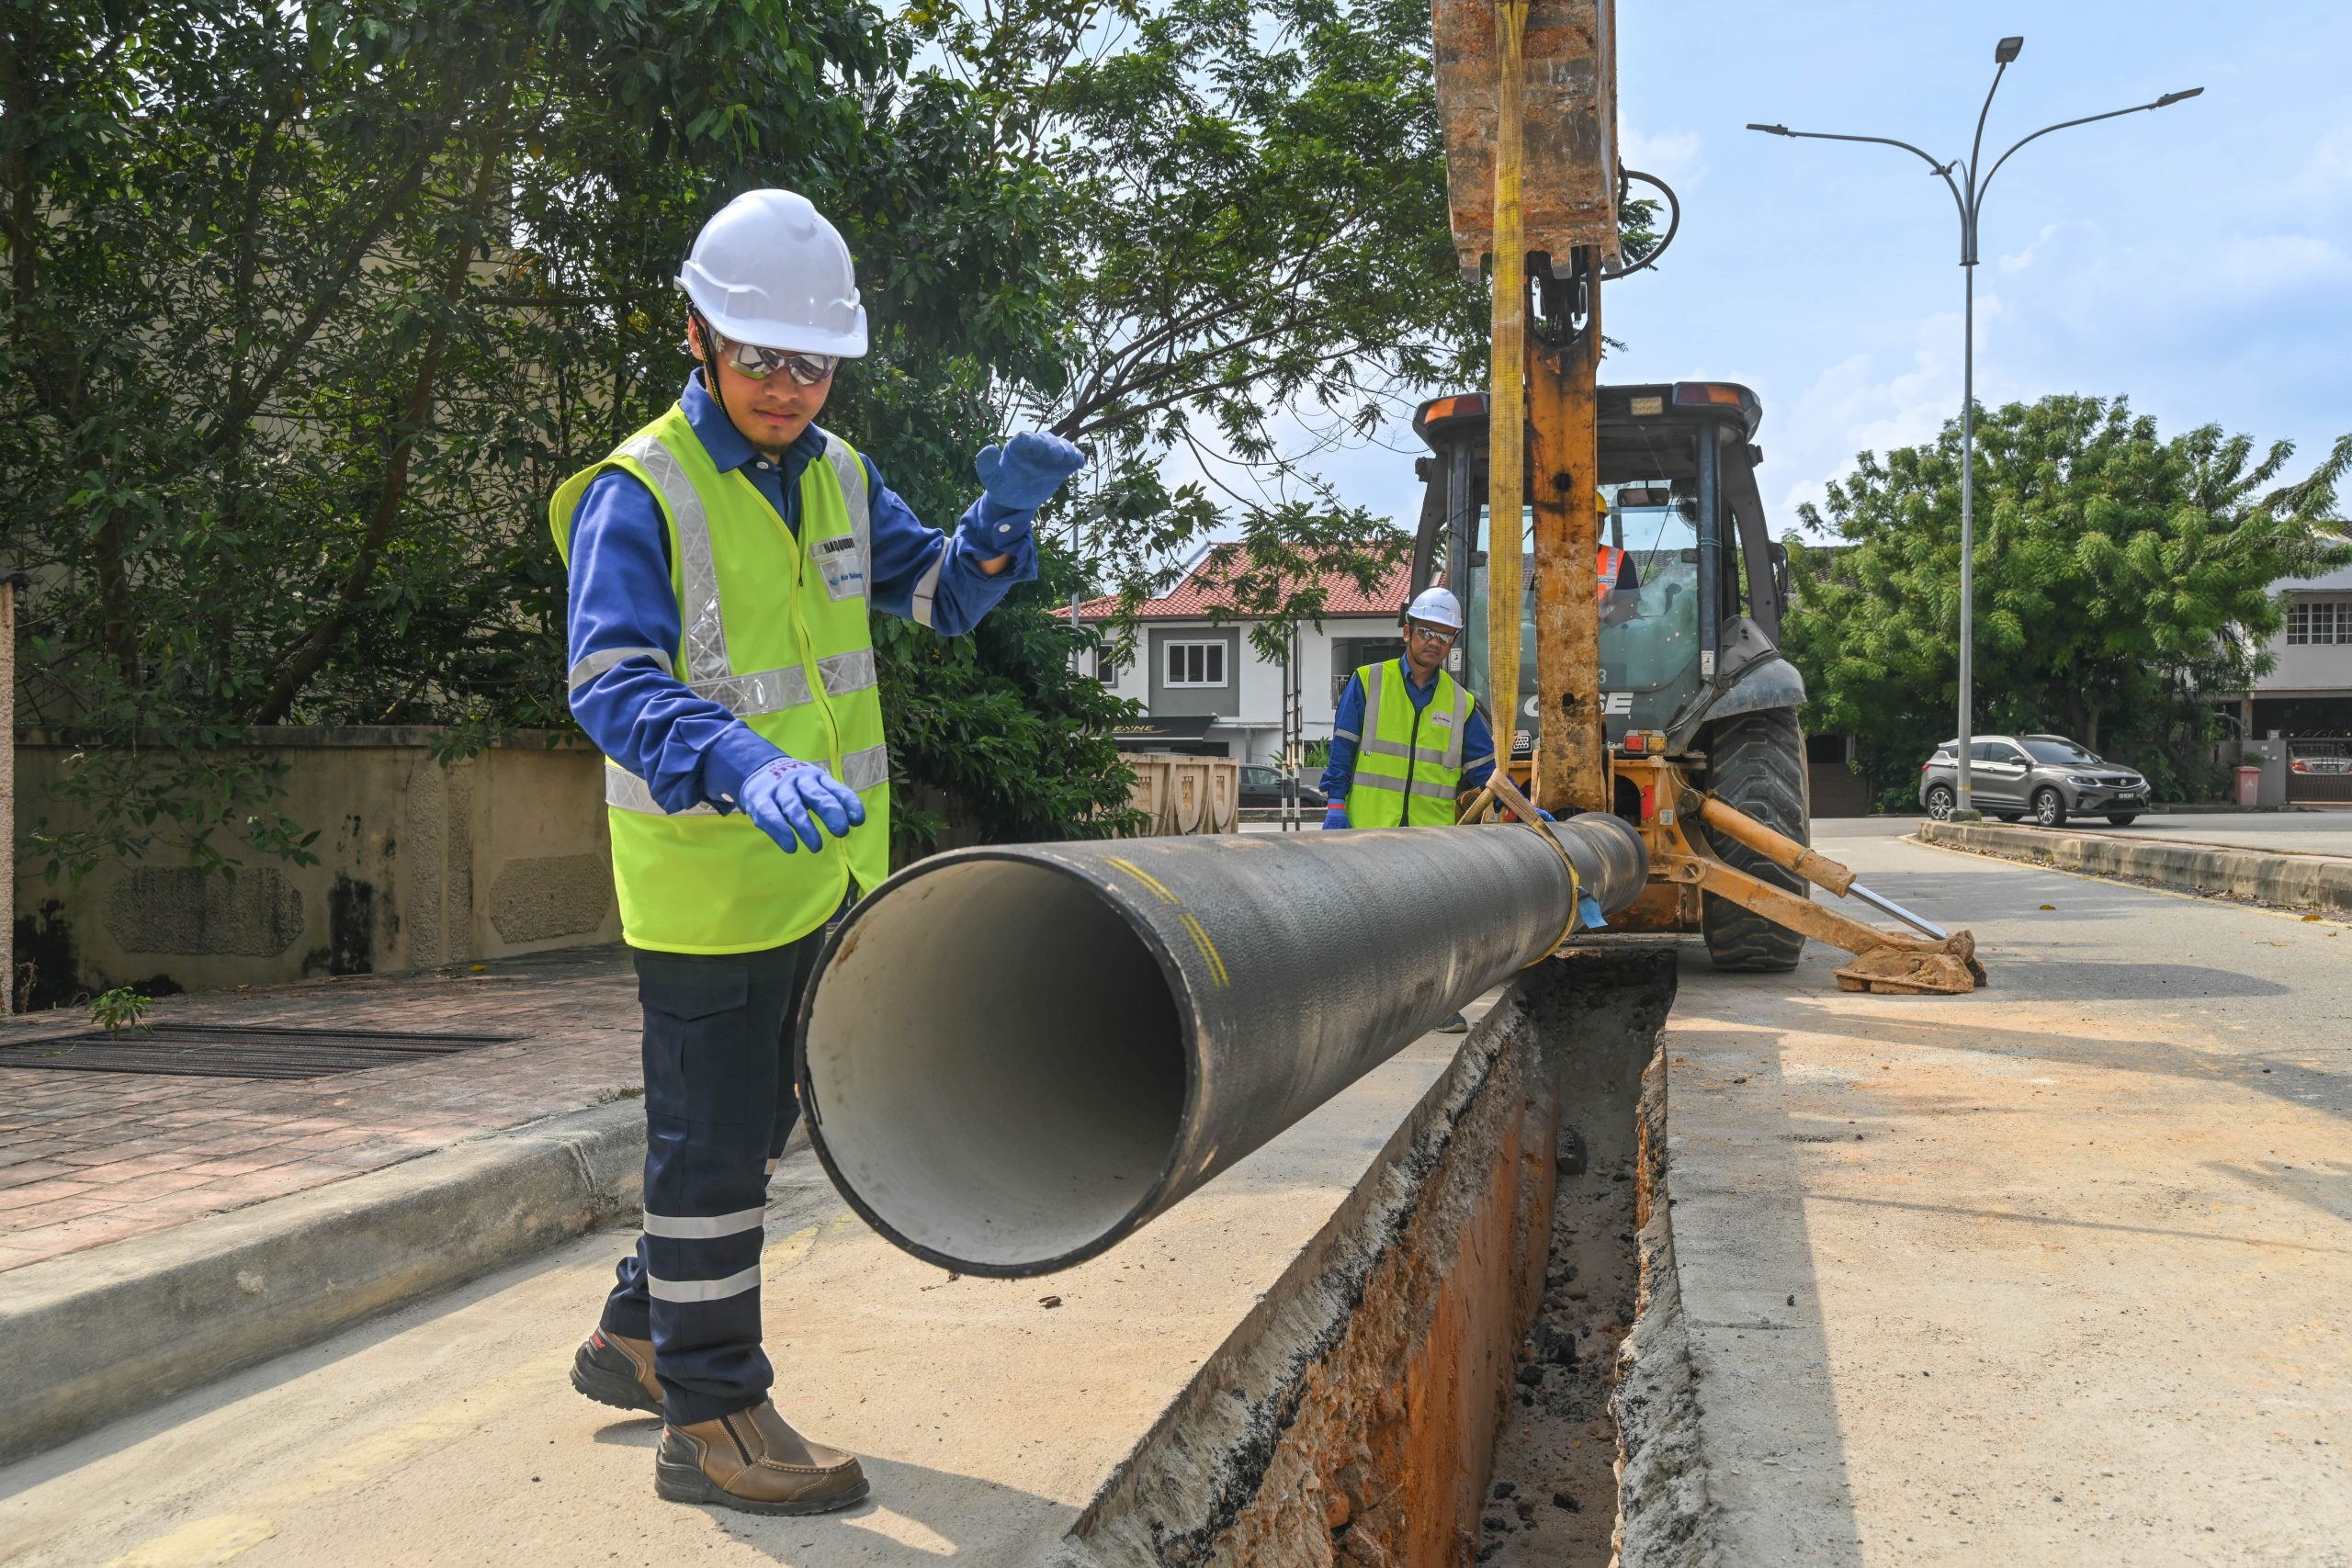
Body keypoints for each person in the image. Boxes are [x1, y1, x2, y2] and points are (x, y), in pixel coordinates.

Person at [548, 188, 1083, 1517]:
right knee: (710, 1148)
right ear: (696, 336)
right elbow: (608, 676)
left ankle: (635, 1333)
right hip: (707, 886)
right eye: (758, 355)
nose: (787, 385)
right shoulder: (641, 490)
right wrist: (735, 756)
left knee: (764, 1119)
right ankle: (712, 1412)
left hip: (828, 875)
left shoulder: (841, 475)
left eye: (812, 361)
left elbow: (942, 596)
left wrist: (1001, 521)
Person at [1317, 585, 1503, 1032]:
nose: (1434, 641)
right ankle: (1360, 1010)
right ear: (1407, 632)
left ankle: (1436, 1006)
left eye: (1445, 635)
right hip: (1368, 828)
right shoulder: (1367, 682)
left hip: (1429, 837)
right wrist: (1336, 802)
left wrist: (1527, 808)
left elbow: (1486, 771)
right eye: (1426, 631)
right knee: (1364, 923)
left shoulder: (1461, 703)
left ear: (1453, 643)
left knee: (1429, 926)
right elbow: (1342, 749)